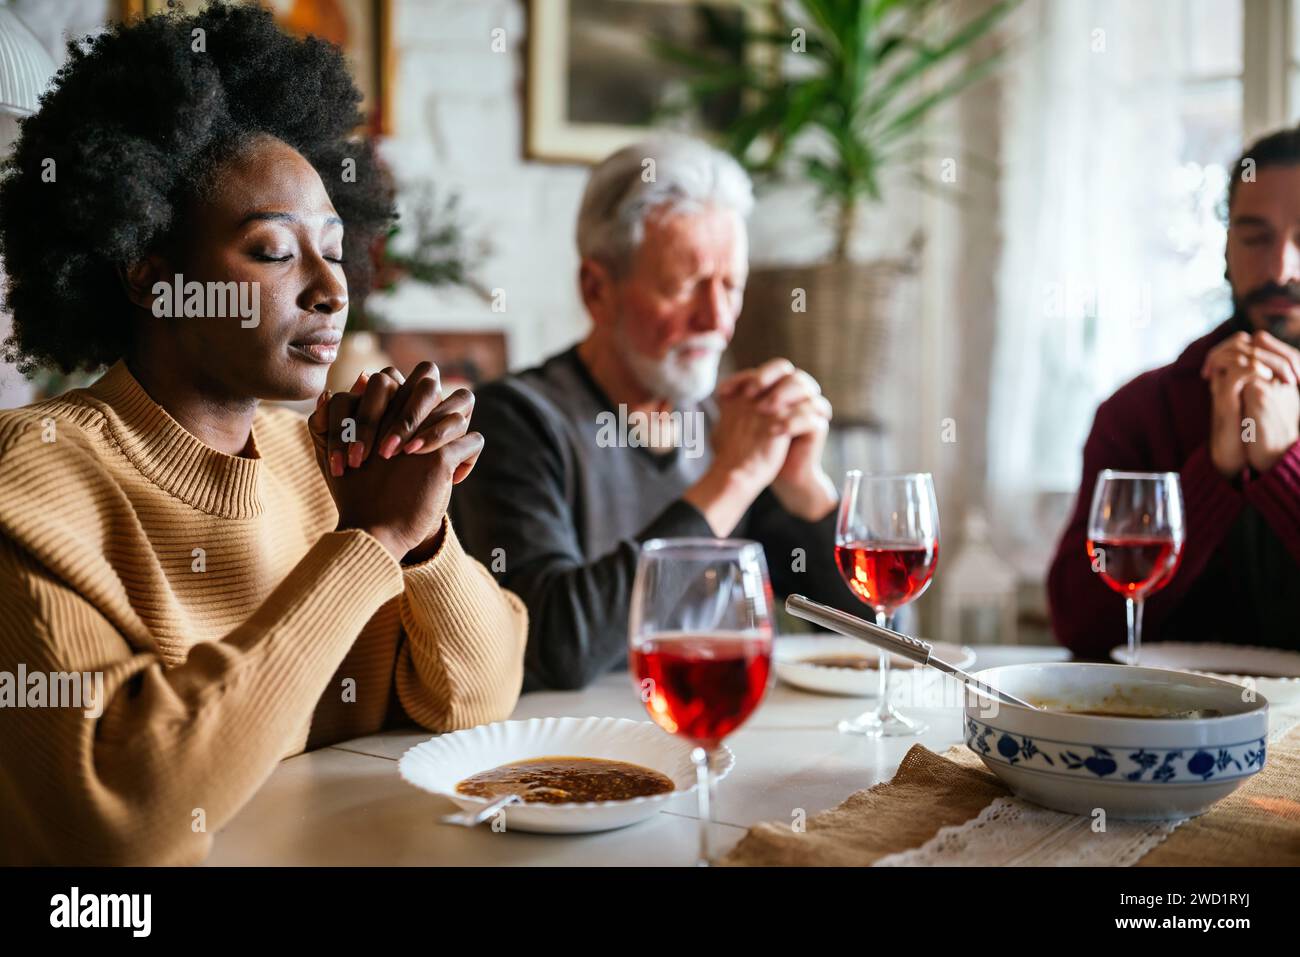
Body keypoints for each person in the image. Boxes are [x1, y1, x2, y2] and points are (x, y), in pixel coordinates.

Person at [0, 4, 526, 865]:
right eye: (274, 251)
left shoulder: (321, 460)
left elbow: (477, 696)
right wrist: (366, 543)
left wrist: (423, 536)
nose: (331, 288)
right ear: (150, 275)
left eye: (332, 248)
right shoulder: (37, 476)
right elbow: (120, 818)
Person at [452, 135, 860, 692]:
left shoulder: (727, 422)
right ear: (598, 290)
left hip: (715, 740)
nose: (717, 319)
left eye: (731, 286)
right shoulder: (514, 420)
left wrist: (804, 488)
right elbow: (553, 647)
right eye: (685, 286)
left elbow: (874, 640)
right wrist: (731, 479)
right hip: (566, 755)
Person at [1049, 126, 1300, 658]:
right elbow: (1079, 625)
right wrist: (1212, 475)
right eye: (1255, 237)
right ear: (1226, 251)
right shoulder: (1139, 412)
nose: (1281, 269)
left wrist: (1283, 466)